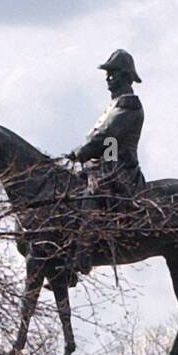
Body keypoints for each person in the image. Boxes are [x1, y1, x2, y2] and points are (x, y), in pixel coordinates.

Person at [67, 49, 146, 274]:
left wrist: (83, 151)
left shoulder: (128, 105)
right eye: (107, 73)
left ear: (127, 76)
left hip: (119, 169)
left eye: (113, 73)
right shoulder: (115, 104)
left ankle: (82, 257)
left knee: (93, 194)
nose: (108, 78)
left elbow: (107, 138)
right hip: (104, 165)